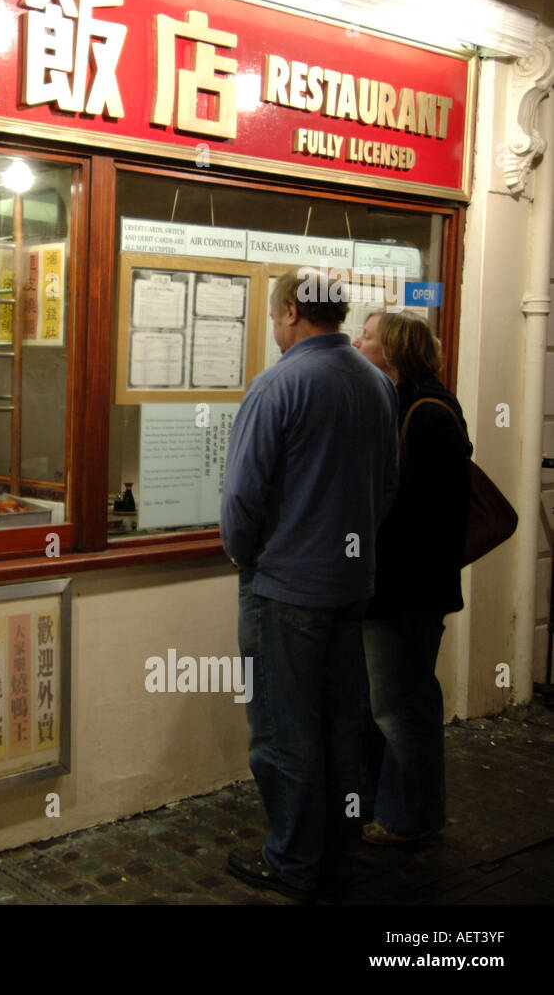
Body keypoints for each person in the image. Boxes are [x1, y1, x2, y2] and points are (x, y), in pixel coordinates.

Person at [220, 267, 400, 901]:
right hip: (350, 586)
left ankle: (293, 861)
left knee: (281, 731)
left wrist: (249, 559)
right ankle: (338, 853)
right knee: (339, 726)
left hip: (285, 588)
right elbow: (386, 488)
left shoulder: (279, 385)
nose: (273, 329)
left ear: (294, 311)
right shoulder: (377, 384)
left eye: (273, 318)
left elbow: (243, 496)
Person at [357, 312, 470, 846]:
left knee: (400, 706)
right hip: (406, 588)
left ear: (394, 351)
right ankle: (402, 807)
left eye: (369, 337)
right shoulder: (419, 403)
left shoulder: (424, 413)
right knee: (400, 700)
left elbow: (422, 516)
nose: (357, 341)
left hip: (406, 592)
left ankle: (410, 819)